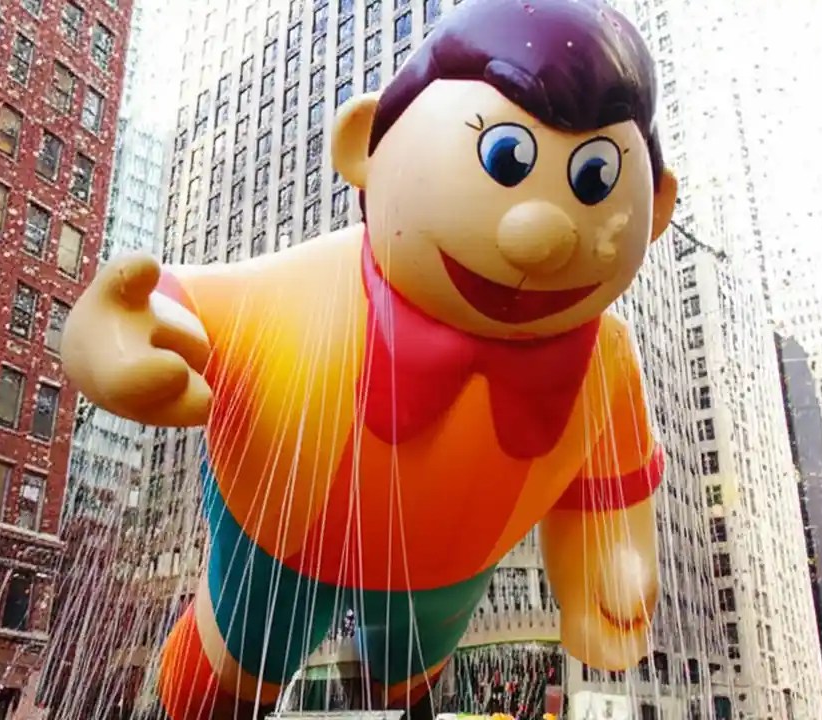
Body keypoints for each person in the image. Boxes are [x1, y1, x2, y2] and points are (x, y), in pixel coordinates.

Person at [62, 0, 678, 717]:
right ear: (365, 145)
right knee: (223, 681)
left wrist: (611, 573)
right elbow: (166, 304)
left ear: (658, 209)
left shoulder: (606, 362)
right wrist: (116, 341)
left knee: (411, 678)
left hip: (445, 578)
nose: (541, 235)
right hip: (277, 542)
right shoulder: (307, 290)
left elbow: (609, 494)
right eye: (506, 158)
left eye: (593, 178)